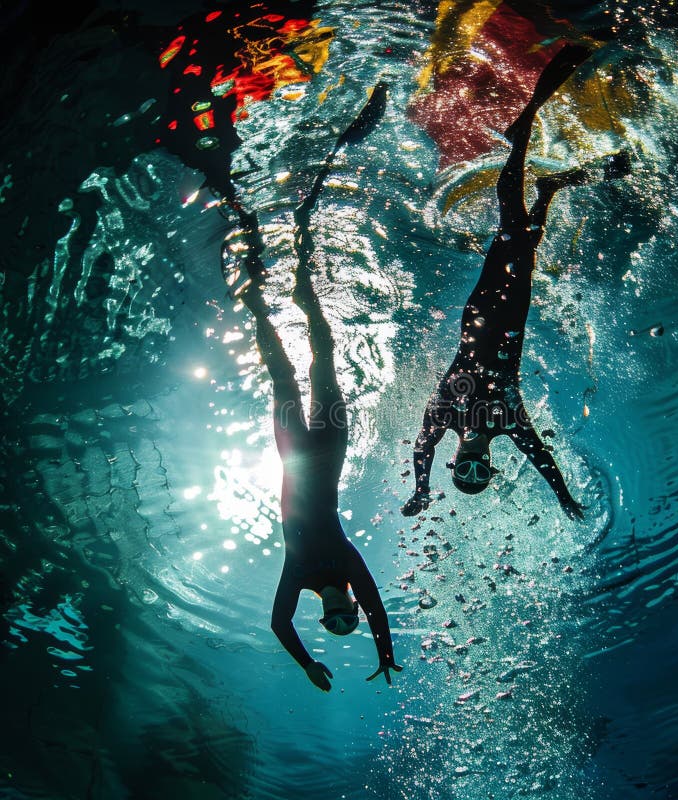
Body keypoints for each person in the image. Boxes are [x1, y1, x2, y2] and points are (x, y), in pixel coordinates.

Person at [402, 43, 627, 519]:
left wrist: (422, 489)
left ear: (456, 463)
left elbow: (422, 447)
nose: (472, 468)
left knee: (515, 235)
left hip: (483, 312)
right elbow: (542, 459)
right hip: (515, 315)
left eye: (463, 473)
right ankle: (547, 186)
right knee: (524, 249)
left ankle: (521, 138)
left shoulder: (447, 415)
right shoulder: (508, 422)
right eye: (480, 475)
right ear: (490, 468)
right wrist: (564, 496)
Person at [232, 86, 401, 692]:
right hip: (330, 446)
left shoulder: (299, 575)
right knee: (323, 354)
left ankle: (255, 284)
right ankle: (302, 256)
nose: (335, 610)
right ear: (350, 605)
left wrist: (307, 665)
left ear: (319, 613)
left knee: (281, 370)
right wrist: (383, 650)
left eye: (328, 619)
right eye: (344, 615)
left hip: (288, 449)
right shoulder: (350, 569)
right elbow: (382, 608)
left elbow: (279, 624)